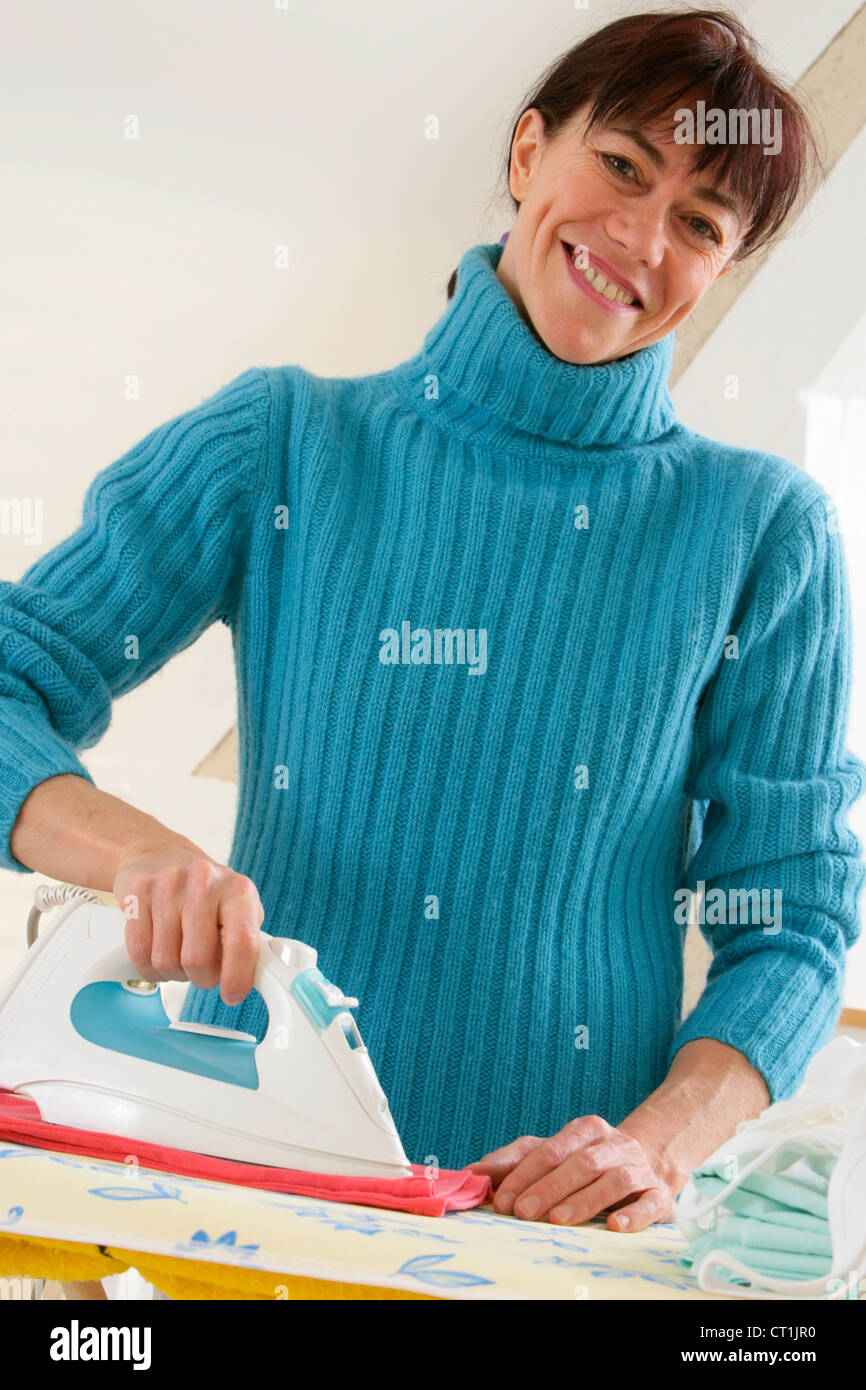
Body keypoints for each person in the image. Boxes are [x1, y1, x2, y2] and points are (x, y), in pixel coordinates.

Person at [2, 8, 863, 1234]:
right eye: (620, 165)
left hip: (555, 1237)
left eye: (699, 223)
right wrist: (138, 856)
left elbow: (789, 915)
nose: (638, 237)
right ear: (527, 155)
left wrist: (652, 1146)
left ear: (720, 269)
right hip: (261, 1203)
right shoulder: (283, 444)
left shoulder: (762, 535)